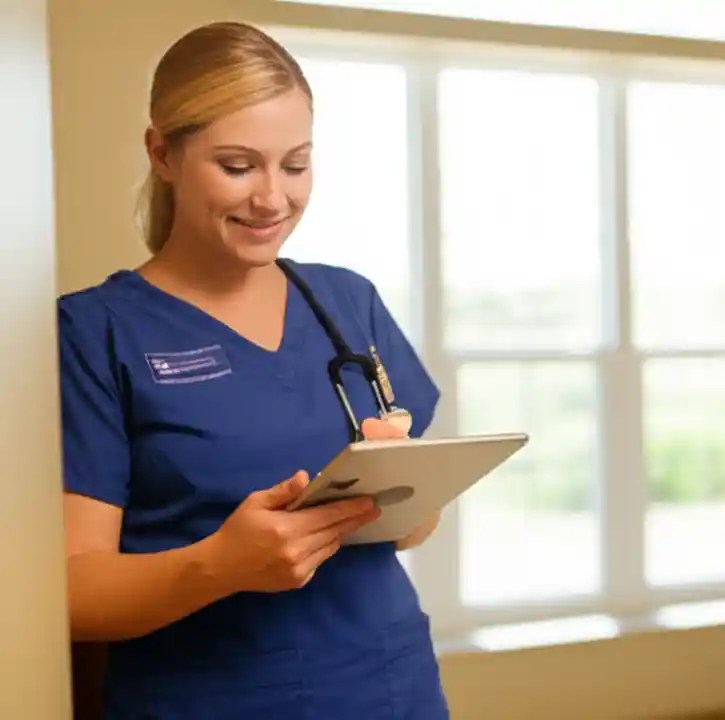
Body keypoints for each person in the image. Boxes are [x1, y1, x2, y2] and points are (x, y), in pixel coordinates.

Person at [58, 21, 449, 718]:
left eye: (295, 165)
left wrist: (403, 492)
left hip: (389, 685)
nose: (273, 199)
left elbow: (414, 529)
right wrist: (220, 565)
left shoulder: (345, 301)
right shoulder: (95, 332)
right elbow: (72, 595)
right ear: (162, 153)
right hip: (208, 699)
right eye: (238, 166)